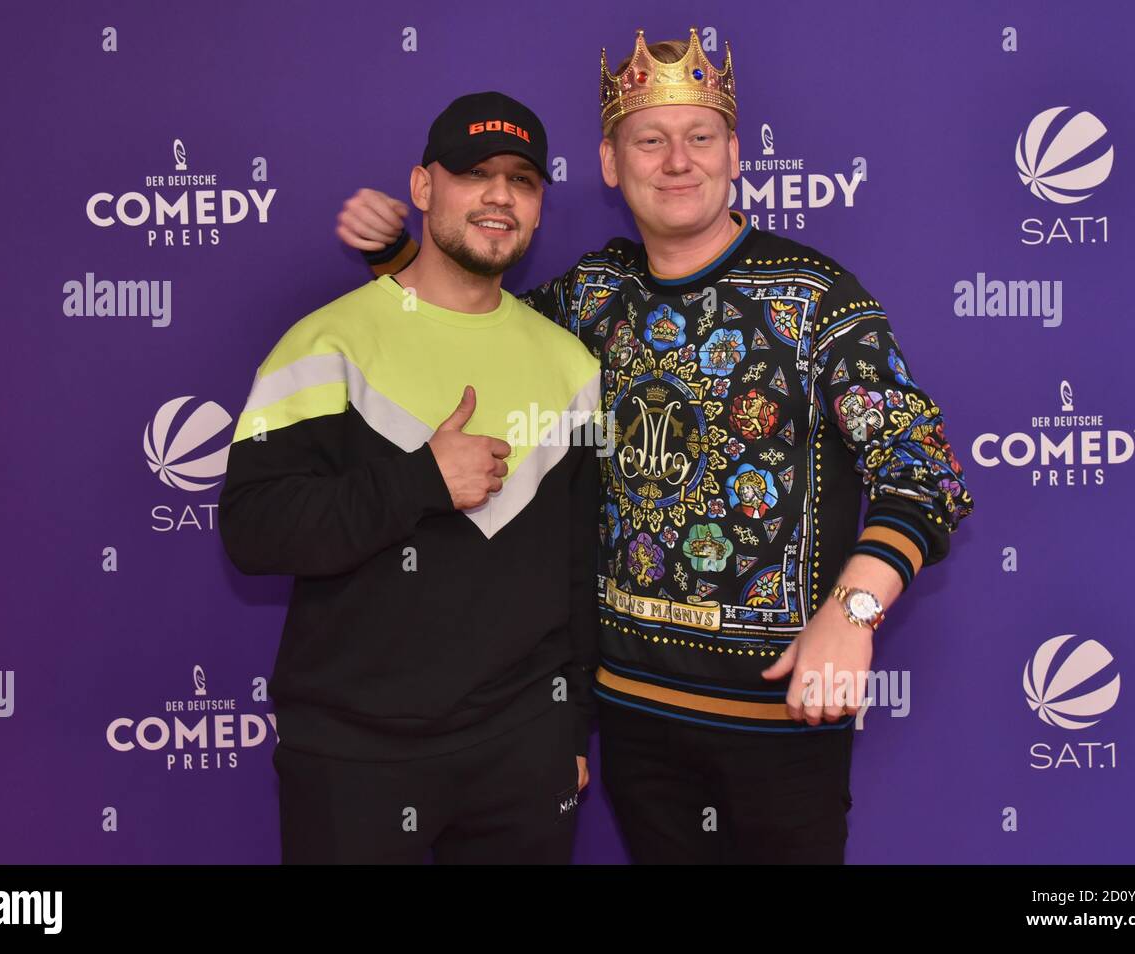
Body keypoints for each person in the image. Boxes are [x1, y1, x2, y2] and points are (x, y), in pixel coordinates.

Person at [337, 29, 976, 864]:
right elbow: (479, 332)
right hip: (635, 718)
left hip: (781, 716)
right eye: (650, 140)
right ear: (611, 164)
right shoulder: (591, 296)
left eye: (699, 136)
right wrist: (398, 255)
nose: (677, 161)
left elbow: (924, 471)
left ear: (734, 155)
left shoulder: (816, 298)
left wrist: (851, 616)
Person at [218, 91, 601, 864]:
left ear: (537, 208)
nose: (500, 195)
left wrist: (569, 728)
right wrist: (420, 479)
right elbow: (252, 530)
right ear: (424, 187)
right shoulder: (326, 343)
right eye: (475, 173)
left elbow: (576, 571)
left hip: (523, 750)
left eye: (522, 180)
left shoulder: (571, 365)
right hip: (353, 756)